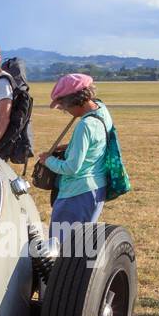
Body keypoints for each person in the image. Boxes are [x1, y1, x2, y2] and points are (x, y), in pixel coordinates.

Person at [44, 73, 114, 235]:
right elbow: (98, 141)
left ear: (76, 101)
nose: (66, 111)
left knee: (62, 246)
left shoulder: (85, 125)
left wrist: (47, 160)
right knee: (81, 244)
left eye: (65, 107)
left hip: (76, 193)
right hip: (96, 189)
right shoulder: (102, 110)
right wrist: (71, 147)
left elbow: (71, 168)